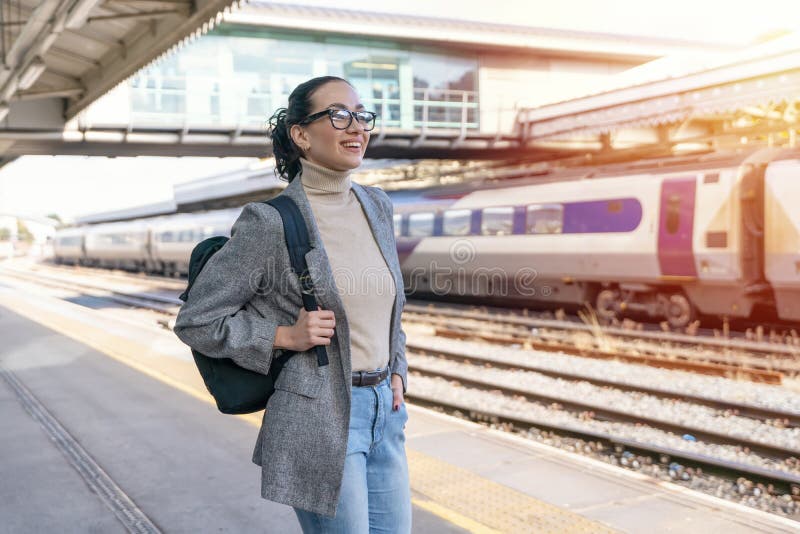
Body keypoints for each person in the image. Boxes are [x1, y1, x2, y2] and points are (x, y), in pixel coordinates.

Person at [172, 75, 411, 533]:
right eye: (339, 115)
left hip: (386, 410)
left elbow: (388, 305)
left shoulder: (377, 205)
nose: (356, 126)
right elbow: (197, 320)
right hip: (319, 417)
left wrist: (397, 367)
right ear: (301, 134)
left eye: (362, 115)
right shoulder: (270, 221)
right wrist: (284, 336)